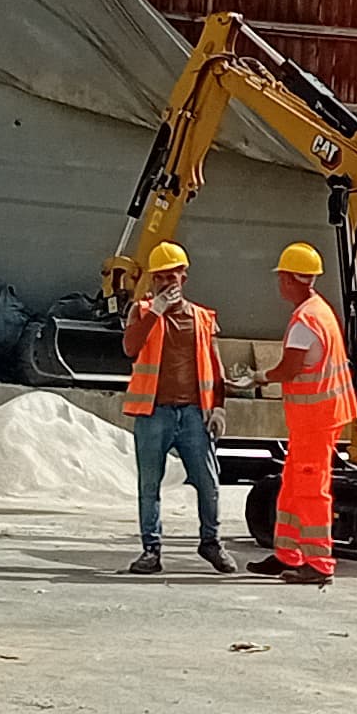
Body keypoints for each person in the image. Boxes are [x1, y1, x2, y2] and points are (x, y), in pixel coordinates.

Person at [120, 243, 233, 575]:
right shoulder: (142, 312)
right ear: (153, 280)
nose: (167, 283)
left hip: (194, 414)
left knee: (208, 482)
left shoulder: (201, 318)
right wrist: (154, 311)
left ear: (184, 275)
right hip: (153, 413)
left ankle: (211, 542)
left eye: (172, 276)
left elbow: (215, 366)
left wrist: (219, 408)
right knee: (149, 485)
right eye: (160, 278)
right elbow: (130, 347)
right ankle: (151, 550)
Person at [253, 240, 357, 587]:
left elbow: (289, 369)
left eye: (281, 277)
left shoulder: (304, 322)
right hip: (317, 418)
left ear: (290, 280)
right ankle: (287, 554)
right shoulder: (320, 311)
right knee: (294, 485)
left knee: (312, 489)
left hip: (316, 419)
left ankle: (319, 561)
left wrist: (257, 377)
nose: (279, 283)